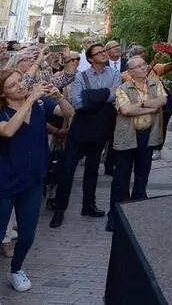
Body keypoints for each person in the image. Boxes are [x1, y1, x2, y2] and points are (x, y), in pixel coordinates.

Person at [0, 69, 74, 304]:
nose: (20, 86)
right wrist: (31, 99)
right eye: (12, 85)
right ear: (2, 93)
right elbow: (9, 130)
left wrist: (59, 96)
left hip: (32, 182)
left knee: (28, 234)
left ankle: (16, 270)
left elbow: (70, 113)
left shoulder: (41, 104)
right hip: (3, 183)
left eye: (20, 80)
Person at [49, 43, 120, 227]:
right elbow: (78, 103)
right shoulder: (82, 76)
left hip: (100, 129)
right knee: (67, 170)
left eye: (104, 51)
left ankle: (89, 205)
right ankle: (59, 210)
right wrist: (104, 94)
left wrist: (92, 96)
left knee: (92, 170)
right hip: (80, 130)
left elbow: (117, 96)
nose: (104, 53)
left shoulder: (114, 74)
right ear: (90, 58)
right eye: (100, 52)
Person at [106, 51, 172, 232]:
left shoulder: (155, 82)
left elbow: (163, 101)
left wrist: (140, 106)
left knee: (142, 175)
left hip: (147, 135)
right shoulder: (123, 88)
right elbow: (126, 110)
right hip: (127, 135)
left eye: (144, 65)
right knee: (121, 178)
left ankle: (137, 212)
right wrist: (148, 105)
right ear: (130, 71)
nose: (144, 68)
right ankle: (114, 215)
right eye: (138, 66)